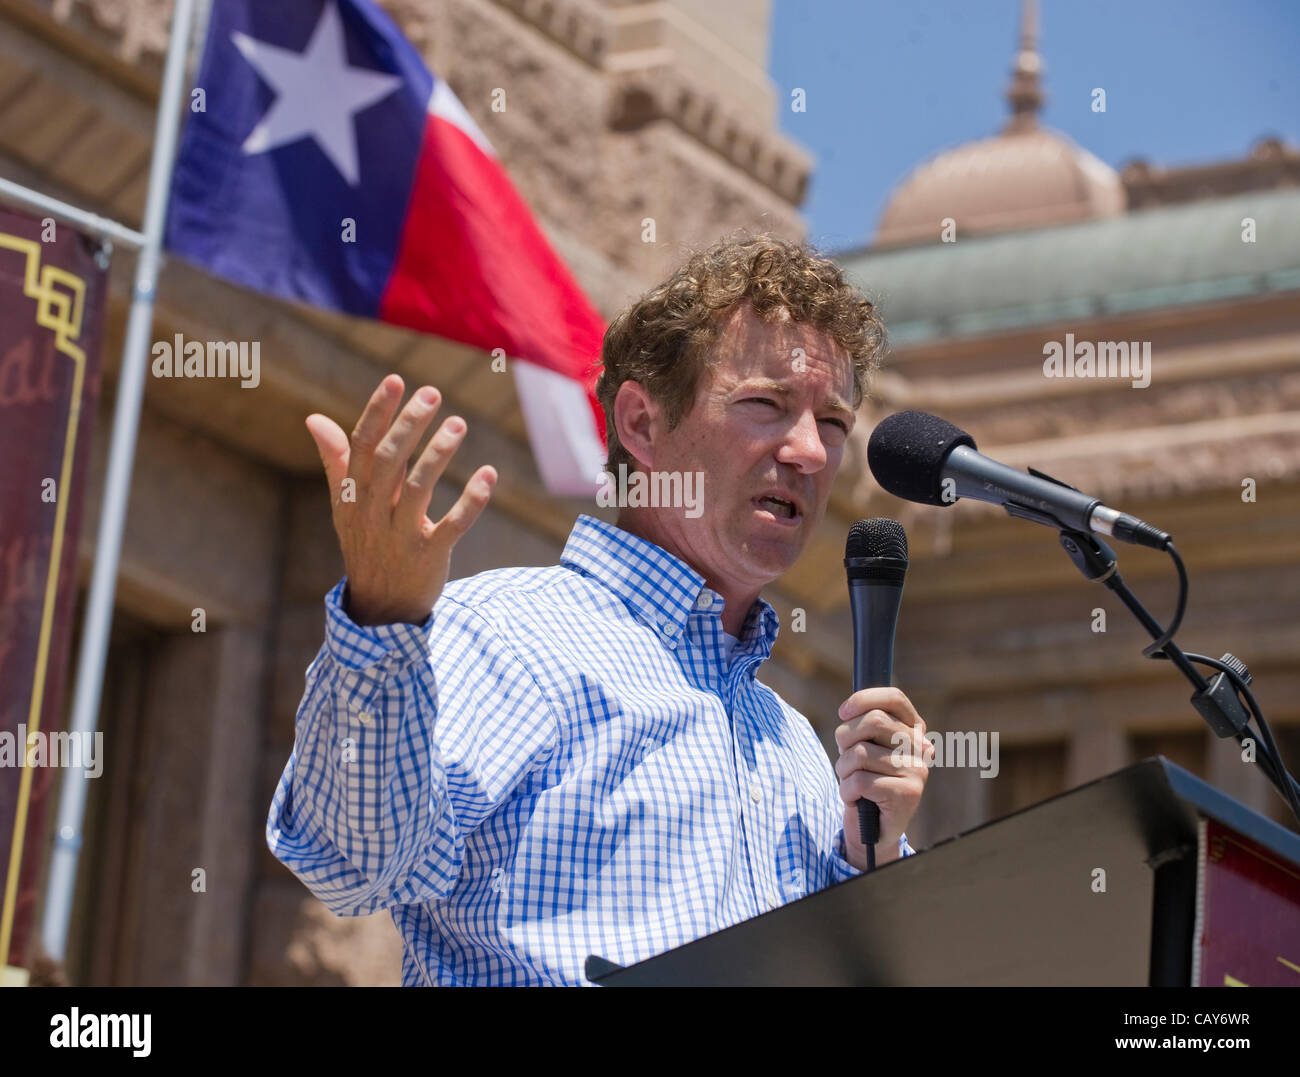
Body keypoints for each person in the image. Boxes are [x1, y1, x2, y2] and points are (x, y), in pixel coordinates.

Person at [267, 233, 932, 986]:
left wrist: (871, 855)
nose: (810, 450)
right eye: (766, 404)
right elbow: (348, 864)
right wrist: (381, 621)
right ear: (642, 424)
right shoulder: (504, 634)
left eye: (834, 423)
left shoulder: (797, 748)